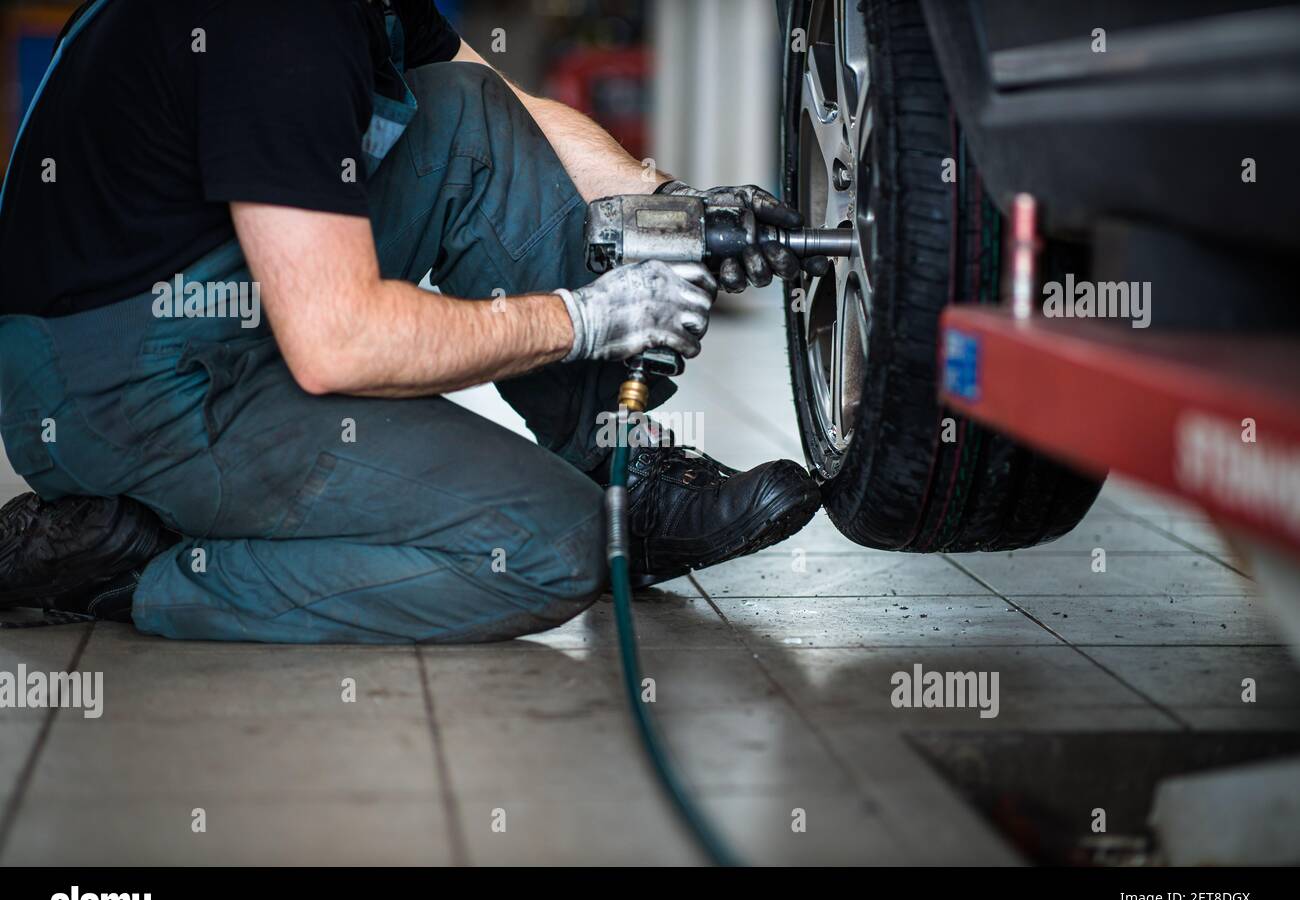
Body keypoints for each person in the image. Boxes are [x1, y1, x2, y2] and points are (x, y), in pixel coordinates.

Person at [0, 0, 826, 644]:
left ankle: (622, 475)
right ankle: (132, 572)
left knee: (467, 112)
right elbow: (337, 343)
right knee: (546, 549)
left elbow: (512, 111)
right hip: (119, 391)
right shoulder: (276, 28)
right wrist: (588, 318)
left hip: (216, 292)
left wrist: (670, 214)